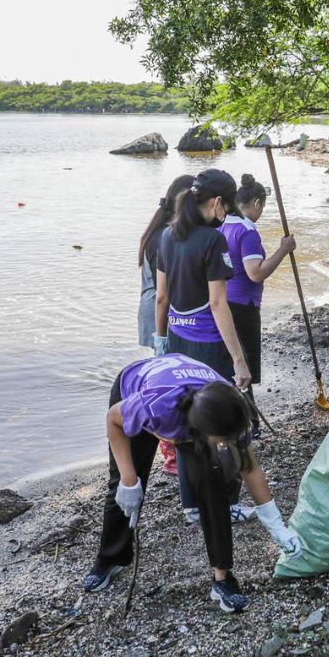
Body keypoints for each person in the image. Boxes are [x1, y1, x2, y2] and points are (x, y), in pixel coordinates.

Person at [83, 354, 301, 612]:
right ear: (198, 434)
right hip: (136, 387)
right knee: (122, 483)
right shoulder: (156, 408)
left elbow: (250, 468)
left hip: (200, 403)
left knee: (213, 486)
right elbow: (113, 420)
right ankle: (111, 558)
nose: (227, 446)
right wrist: (130, 481)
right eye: (222, 442)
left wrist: (277, 527)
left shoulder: (232, 409)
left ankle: (222, 579)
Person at [155, 168, 254, 523]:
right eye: (224, 207)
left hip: (178, 343)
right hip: (210, 349)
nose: (224, 214)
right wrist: (239, 360)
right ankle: (228, 502)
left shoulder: (166, 237)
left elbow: (161, 298)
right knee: (226, 424)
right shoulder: (213, 241)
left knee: (186, 423)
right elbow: (217, 305)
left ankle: (191, 506)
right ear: (217, 202)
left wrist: (160, 344)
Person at [220, 174, 296, 435]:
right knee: (245, 365)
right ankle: (249, 423)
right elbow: (256, 272)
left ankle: (241, 419)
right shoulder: (246, 231)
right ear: (256, 203)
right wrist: (283, 250)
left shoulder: (222, 225)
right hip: (243, 304)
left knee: (233, 359)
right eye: (261, 206)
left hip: (224, 302)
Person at [137, 175, 194, 476]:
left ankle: (171, 448)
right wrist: (162, 334)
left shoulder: (159, 230)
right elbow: (164, 293)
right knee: (168, 387)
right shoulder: (166, 236)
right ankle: (170, 454)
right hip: (159, 314)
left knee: (168, 382)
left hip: (153, 310)